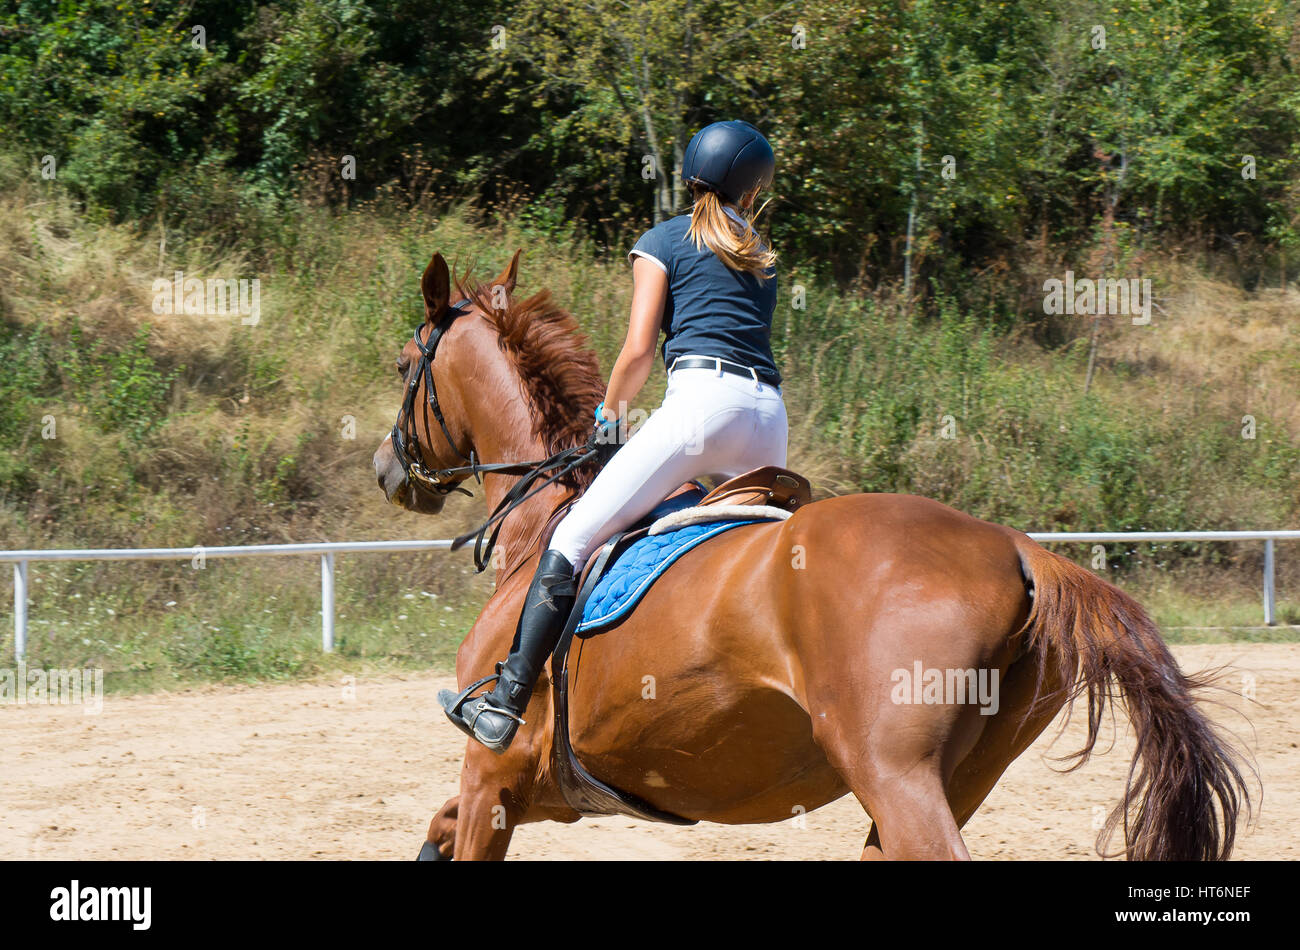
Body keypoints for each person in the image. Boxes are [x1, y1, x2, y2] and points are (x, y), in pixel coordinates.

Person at [440, 120, 789, 753]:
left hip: (702, 410)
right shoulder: (761, 254)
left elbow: (636, 353)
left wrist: (612, 420)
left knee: (573, 537)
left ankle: (506, 702)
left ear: (691, 175)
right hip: (769, 418)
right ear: (752, 187)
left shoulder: (663, 240)